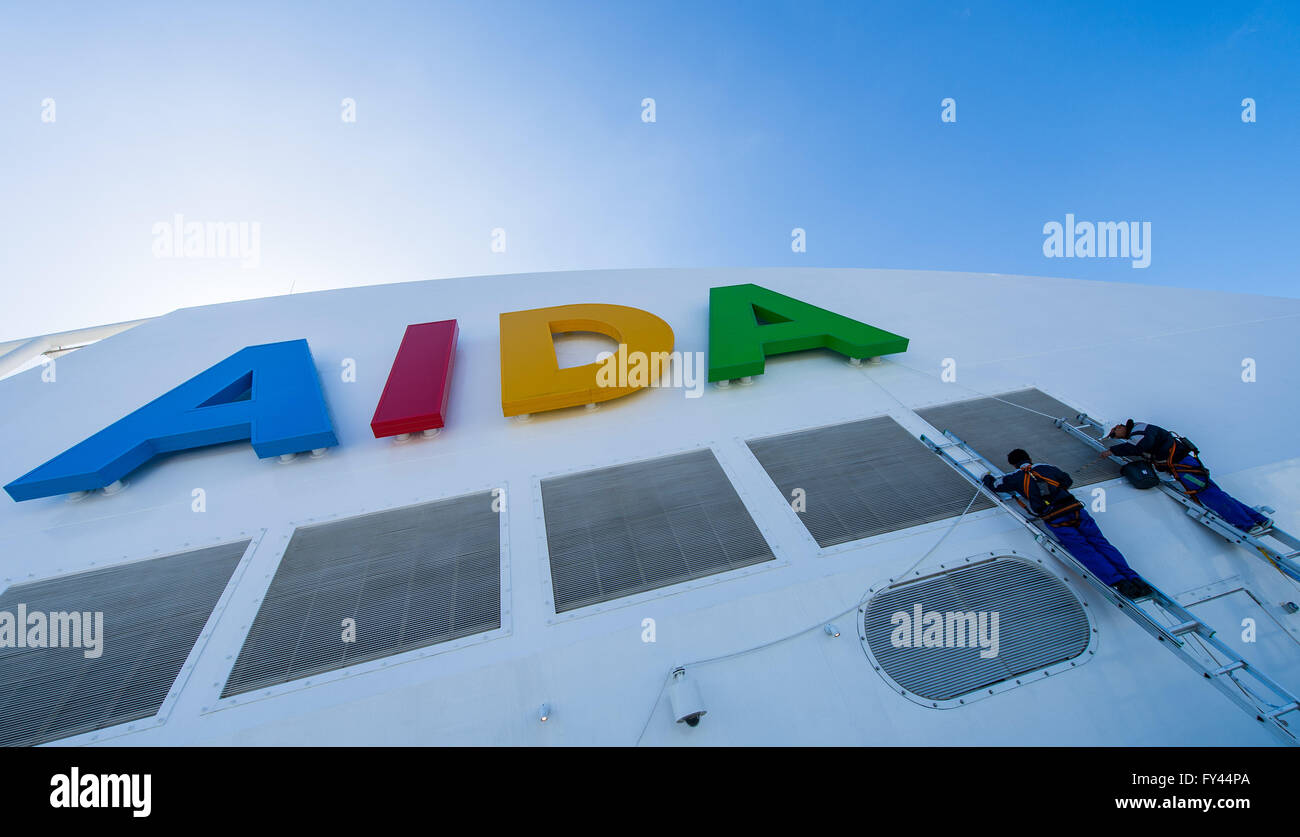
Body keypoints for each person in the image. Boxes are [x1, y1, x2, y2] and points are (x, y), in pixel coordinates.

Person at [982, 448, 1154, 599]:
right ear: (1029, 458)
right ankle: (1133, 577)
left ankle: (1119, 582)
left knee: (1084, 550)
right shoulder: (1046, 468)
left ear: (1013, 464)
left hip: (1056, 518)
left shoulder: (1015, 478)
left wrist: (986, 477)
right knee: (1101, 543)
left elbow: (995, 485)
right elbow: (1067, 480)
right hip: (1076, 510)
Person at [1101, 419, 1270, 534]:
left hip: (1185, 468)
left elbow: (1139, 447)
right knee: (1213, 492)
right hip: (1186, 466)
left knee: (1207, 494)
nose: (1116, 437)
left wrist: (1113, 450)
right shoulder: (1139, 431)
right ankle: (1258, 520)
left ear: (1118, 427)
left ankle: (1246, 525)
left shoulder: (1139, 430)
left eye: (1114, 435)